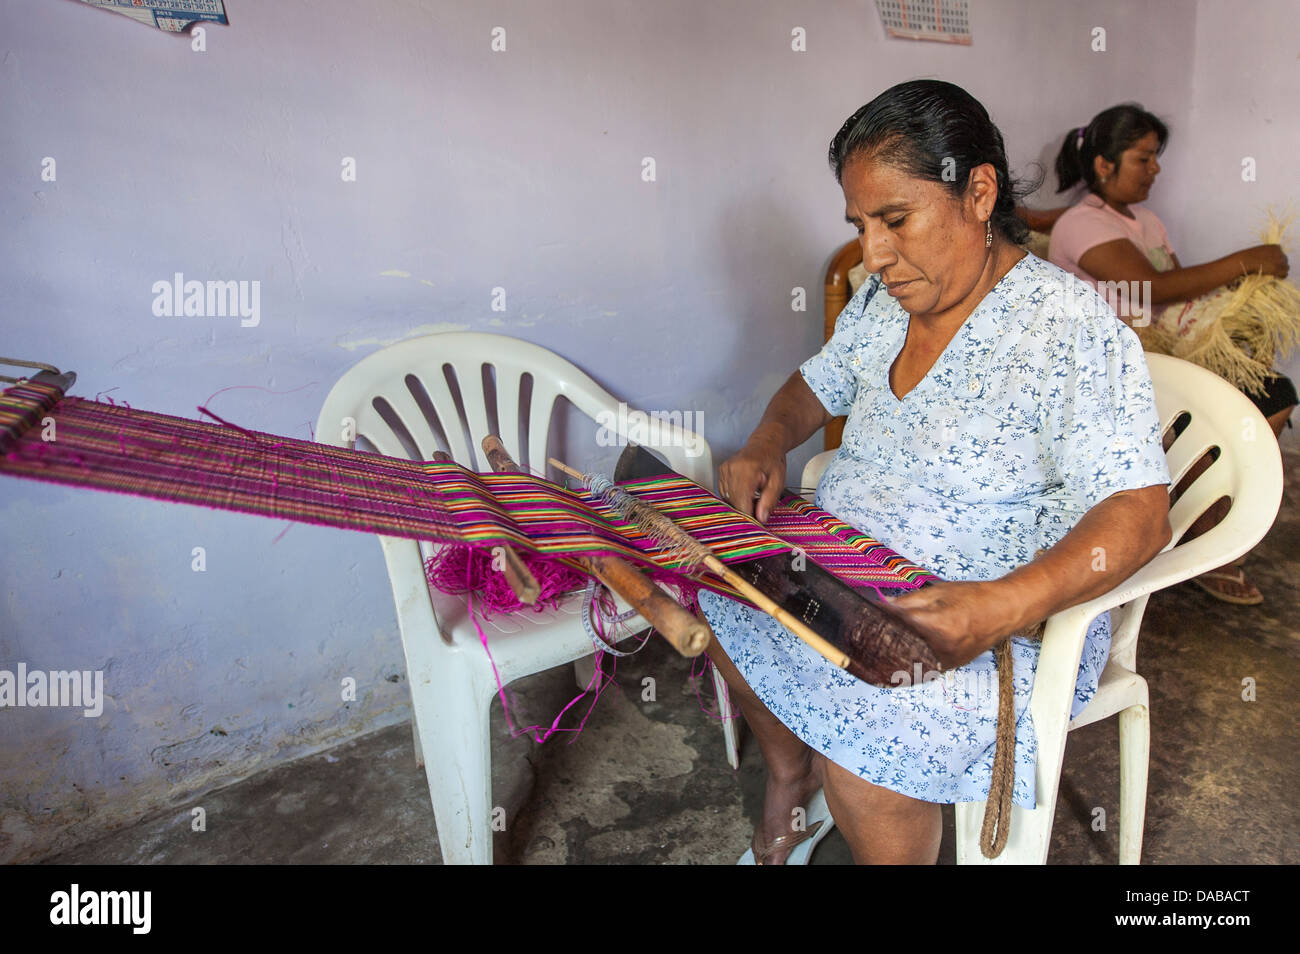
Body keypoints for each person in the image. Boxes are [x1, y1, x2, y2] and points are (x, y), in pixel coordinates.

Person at [696, 79, 1171, 865]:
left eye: (895, 219)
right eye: (860, 225)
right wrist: (768, 442)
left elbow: (1140, 512)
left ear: (978, 191)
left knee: (867, 741)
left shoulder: (1068, 327)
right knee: (718, 591)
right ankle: (790, 777)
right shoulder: (884, 304)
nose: (875, 255)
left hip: (995, 615)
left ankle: (847, 789)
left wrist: (999, 607)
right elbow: (818, 383)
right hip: (849, 570)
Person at [1048, 104, 1295, 605]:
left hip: (1164, 353)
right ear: (1103, 164)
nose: (1155, 169)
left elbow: (1178, 296)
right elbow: (1151, 288)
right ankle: (1202, 538)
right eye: (1144, 159)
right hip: (1114, 365)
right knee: (1236, 404)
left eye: (1156, 157)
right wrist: (1247, 261)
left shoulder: (1148, 220)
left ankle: (1207, 532)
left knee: (1271, 392)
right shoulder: (1080, 223)